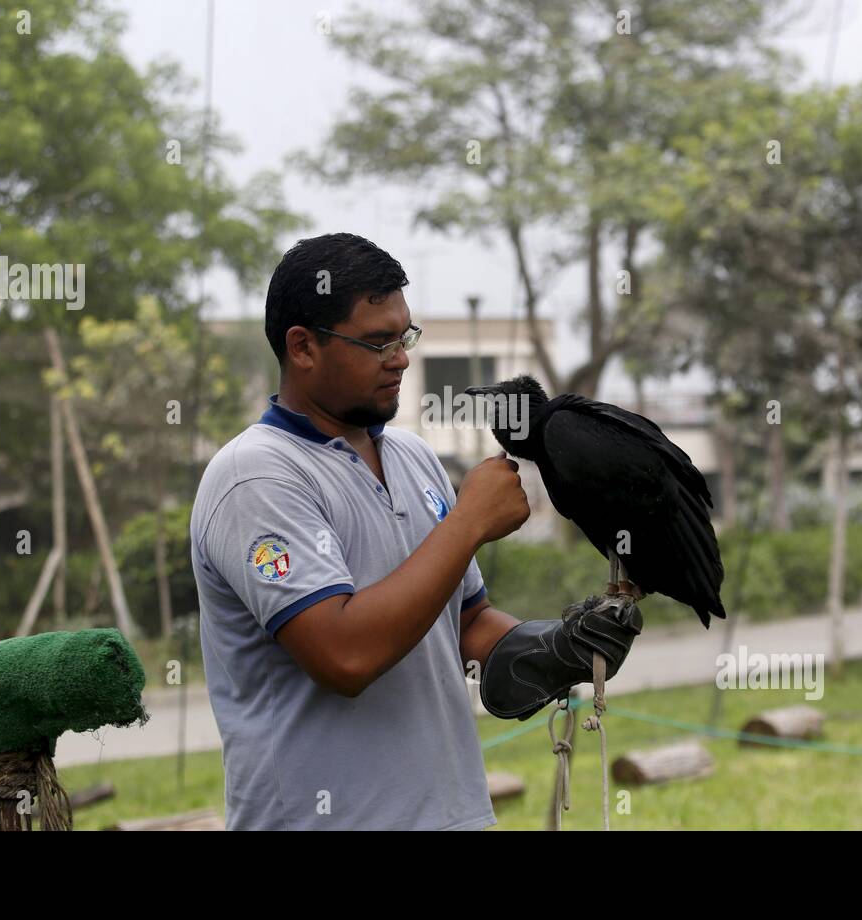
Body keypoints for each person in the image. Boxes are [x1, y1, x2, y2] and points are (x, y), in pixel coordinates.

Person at [188, 233, 640, 830]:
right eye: (376, 342)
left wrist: (556, 648)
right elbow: (344, 655)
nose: (399, 357)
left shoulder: (411, 455)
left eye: (404, 337)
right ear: (302, 347)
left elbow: (463, 622)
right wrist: (469, 522)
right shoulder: (256, 476)